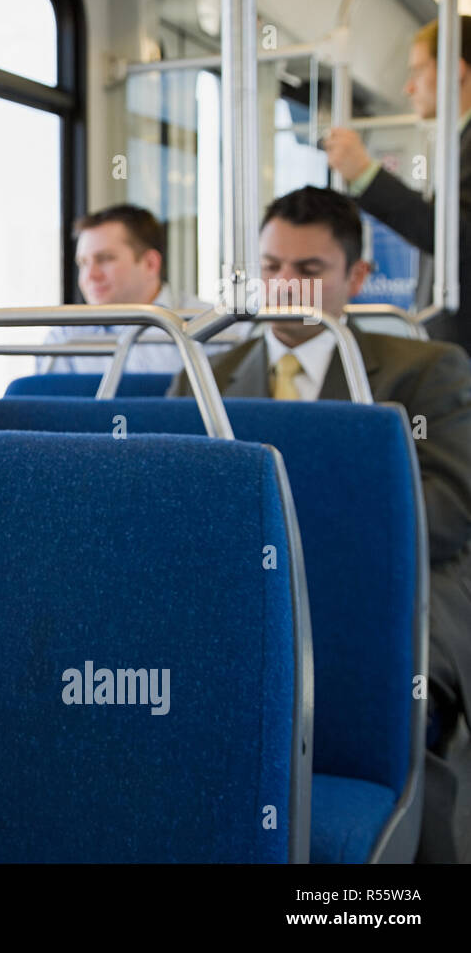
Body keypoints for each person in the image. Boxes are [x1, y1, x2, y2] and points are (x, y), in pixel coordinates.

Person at [169, 186, 471, 862]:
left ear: (356, 278)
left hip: (398, 597)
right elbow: (170, 509)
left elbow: (447, 513)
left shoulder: (424, 372)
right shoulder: (203, 373)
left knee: (397, 687)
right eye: (271, 267)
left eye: (307, 271)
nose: (283, 287)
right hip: (242, 597)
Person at [324, 15, 471, 355]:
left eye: (418, 70)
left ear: (457, 70)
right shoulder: (457, 143)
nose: (409, 87)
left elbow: (457, 237)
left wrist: (365, 173)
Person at [44, 204, 220, 374]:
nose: (90, 275)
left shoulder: (215, 327)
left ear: (150, 264)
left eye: (105, 259)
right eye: (83, 263)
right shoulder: (65, 338)